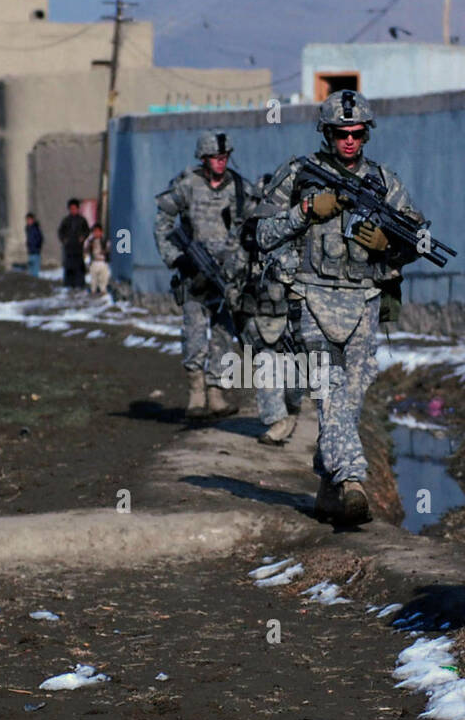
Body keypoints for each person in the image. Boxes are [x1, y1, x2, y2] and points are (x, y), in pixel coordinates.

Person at [256, 91, 425, 523]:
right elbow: (261, 234)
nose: (350, 141)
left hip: (364, 302)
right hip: (311, 298)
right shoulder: (298, 176)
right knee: (329, 392)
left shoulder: (385, 183)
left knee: (349, 400)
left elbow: (419, 239)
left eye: (357, 133)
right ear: (327, 134)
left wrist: (391, 244)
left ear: (366, 134)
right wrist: (307, 211)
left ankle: (327, 487)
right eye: (341, 133)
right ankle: (352, 482)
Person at [154, 130, 253, 419]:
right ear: (203, 158)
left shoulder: (239, 188)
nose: (221, 163)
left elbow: (255, 224)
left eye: (224, 157)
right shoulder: (187, 185)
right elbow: (162, 221)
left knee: (224, 333)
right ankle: (196, 393)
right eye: (215, 158)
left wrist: (243, 260)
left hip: (228, 276)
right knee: (195, 332)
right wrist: (177, 258)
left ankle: (216, 392)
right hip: (194, 274)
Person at [238, 172, 302, 446]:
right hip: (263, 313)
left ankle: (291, 410)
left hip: (297, 312)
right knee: (266, 363)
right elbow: (237, 260)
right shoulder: (252, 230)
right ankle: (276, 420)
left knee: (297, 374)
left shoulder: (303, 228)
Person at [58, 199, 90, 289]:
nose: (73, 210)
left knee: (79, 266)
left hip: (78, 248)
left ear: (78, 208)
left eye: (75, 208)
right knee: (69, 266)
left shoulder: (82, 220)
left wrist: (83, 237)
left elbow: (87, 231)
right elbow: (61, 232)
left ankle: (79, 283)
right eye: (71, 208)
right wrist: (64, 239)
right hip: (68, 247)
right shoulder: (66, 220)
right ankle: (68, 284)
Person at [85, 223, 110, 296]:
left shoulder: (104, 240)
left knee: (103, 278)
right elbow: (86, 250)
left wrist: (105, 252)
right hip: (94, 262)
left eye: (98, 231)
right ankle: (93, 290)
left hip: (102, 261)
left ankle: (103, 290)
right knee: (94, 278)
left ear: (101, 232)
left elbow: (108, 249)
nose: (96, 233)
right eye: (94, 232)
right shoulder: (90, 241)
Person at [25, 212, 44, 277]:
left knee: (35, 270)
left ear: (33, 220)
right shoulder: (27, 228)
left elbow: (40, 238)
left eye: (30, 219)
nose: (28, 221)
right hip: (30, 251)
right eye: (27, 220)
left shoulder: (35, 228)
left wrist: (37, 246)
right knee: (30, 269)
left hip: (36, 252)